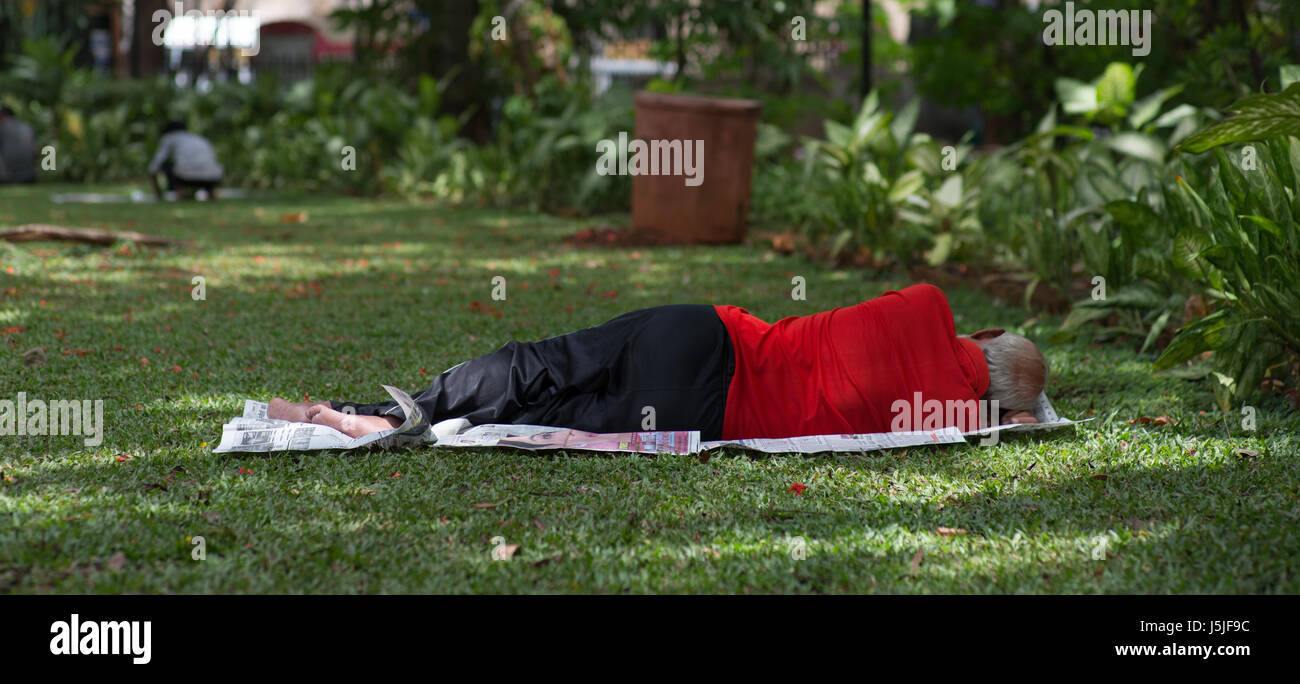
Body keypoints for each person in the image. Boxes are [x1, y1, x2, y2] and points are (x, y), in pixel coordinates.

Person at [268, 284, 1048, 440]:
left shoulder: (925, 305)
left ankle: (408, 405)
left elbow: (946, 335)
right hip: (700, 413)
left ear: (981, 341)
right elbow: (1010, 417)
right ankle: (374, 425)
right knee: (546, 416)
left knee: (543, 362)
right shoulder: (949, 418)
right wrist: (1003, 412)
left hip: (708, 335)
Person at [147, 119, 224, 200]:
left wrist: (155, 186)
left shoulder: (169, 138)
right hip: (213, 177)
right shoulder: (200, 138)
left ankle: (174, 194)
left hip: (185, 177)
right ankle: (211, 194)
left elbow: (155, 164)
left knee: (166, 165)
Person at [0, 105, 37, 183]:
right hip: (29, 177)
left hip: (7, 178)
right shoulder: (28, 127)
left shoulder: (2, 128)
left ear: (2, 116)